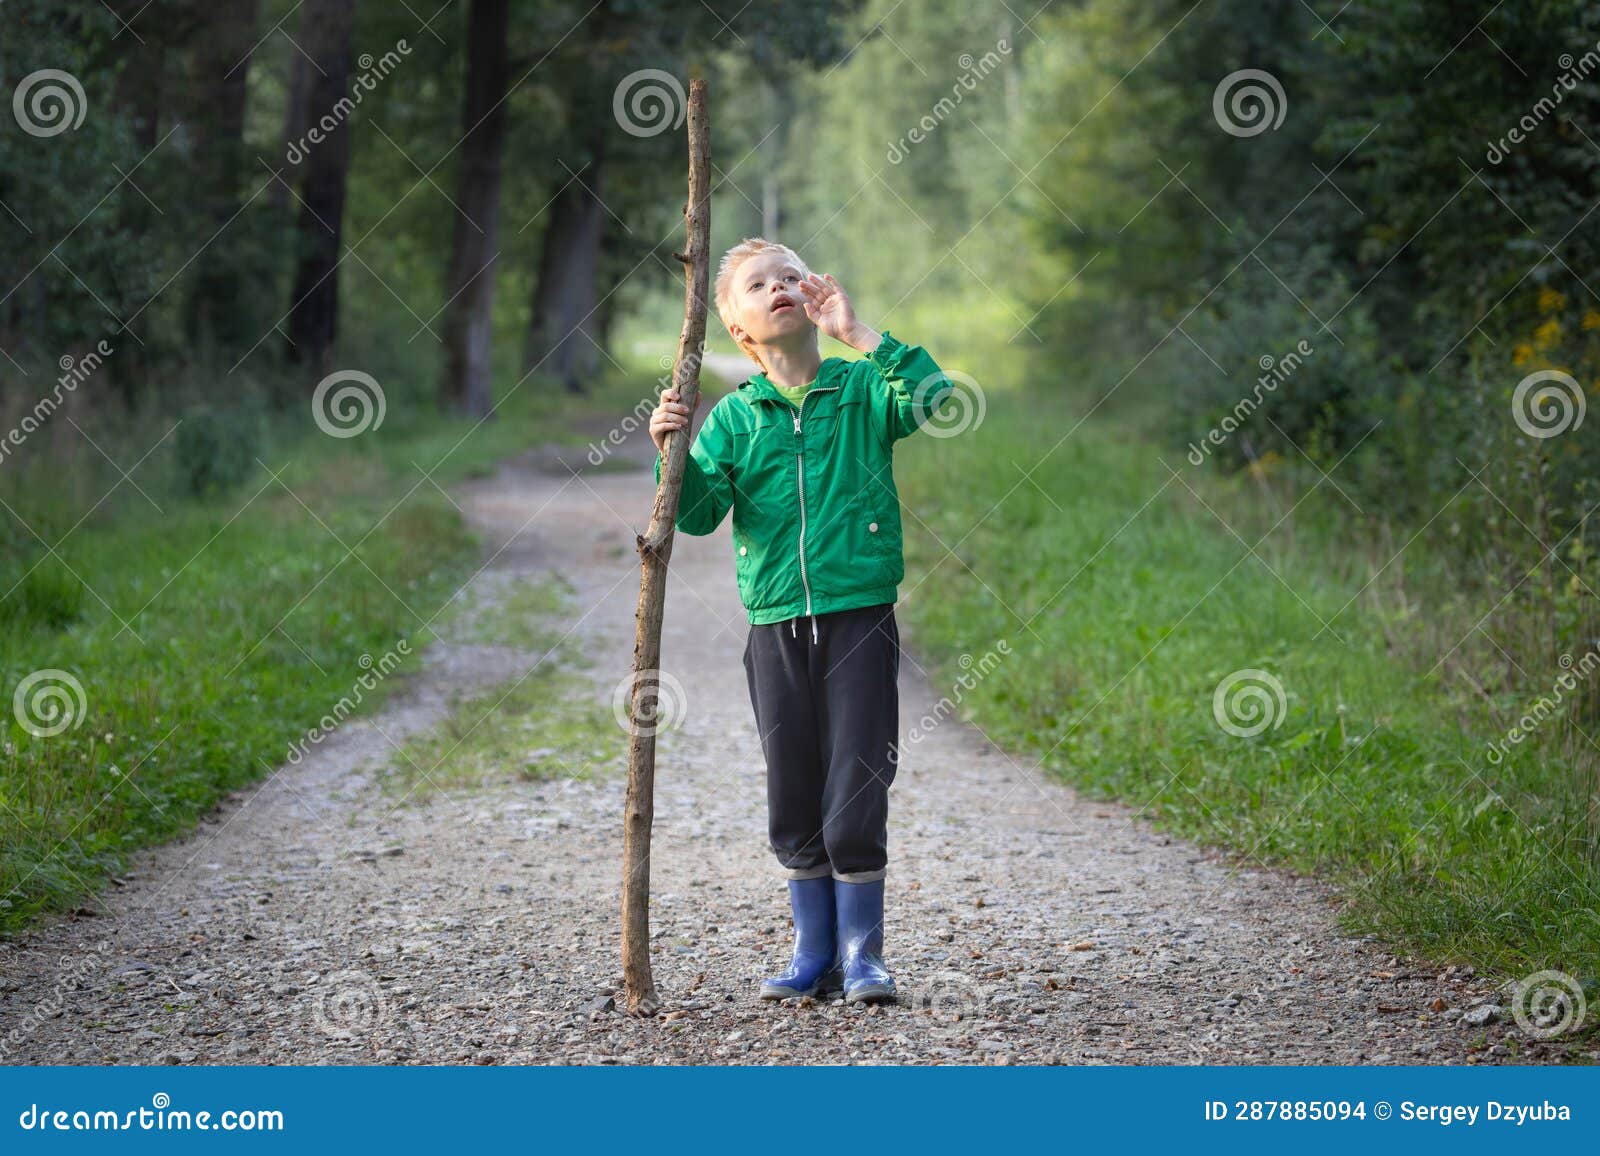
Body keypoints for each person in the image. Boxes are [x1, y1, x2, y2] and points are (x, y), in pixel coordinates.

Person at [648, 237, 952, 1004]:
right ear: (740, 330)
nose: (779, 286)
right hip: (775, 625)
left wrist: (862, 334)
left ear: (813, 298)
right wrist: (671, 455)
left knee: (856, 782)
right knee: (793, 789)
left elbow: (932, 396)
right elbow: (697, 515)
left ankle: (862, 954)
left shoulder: (860, 391)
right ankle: (811, 950)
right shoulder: (733, 421)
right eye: (758, 284)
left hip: (858, 618)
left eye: (790, 274)